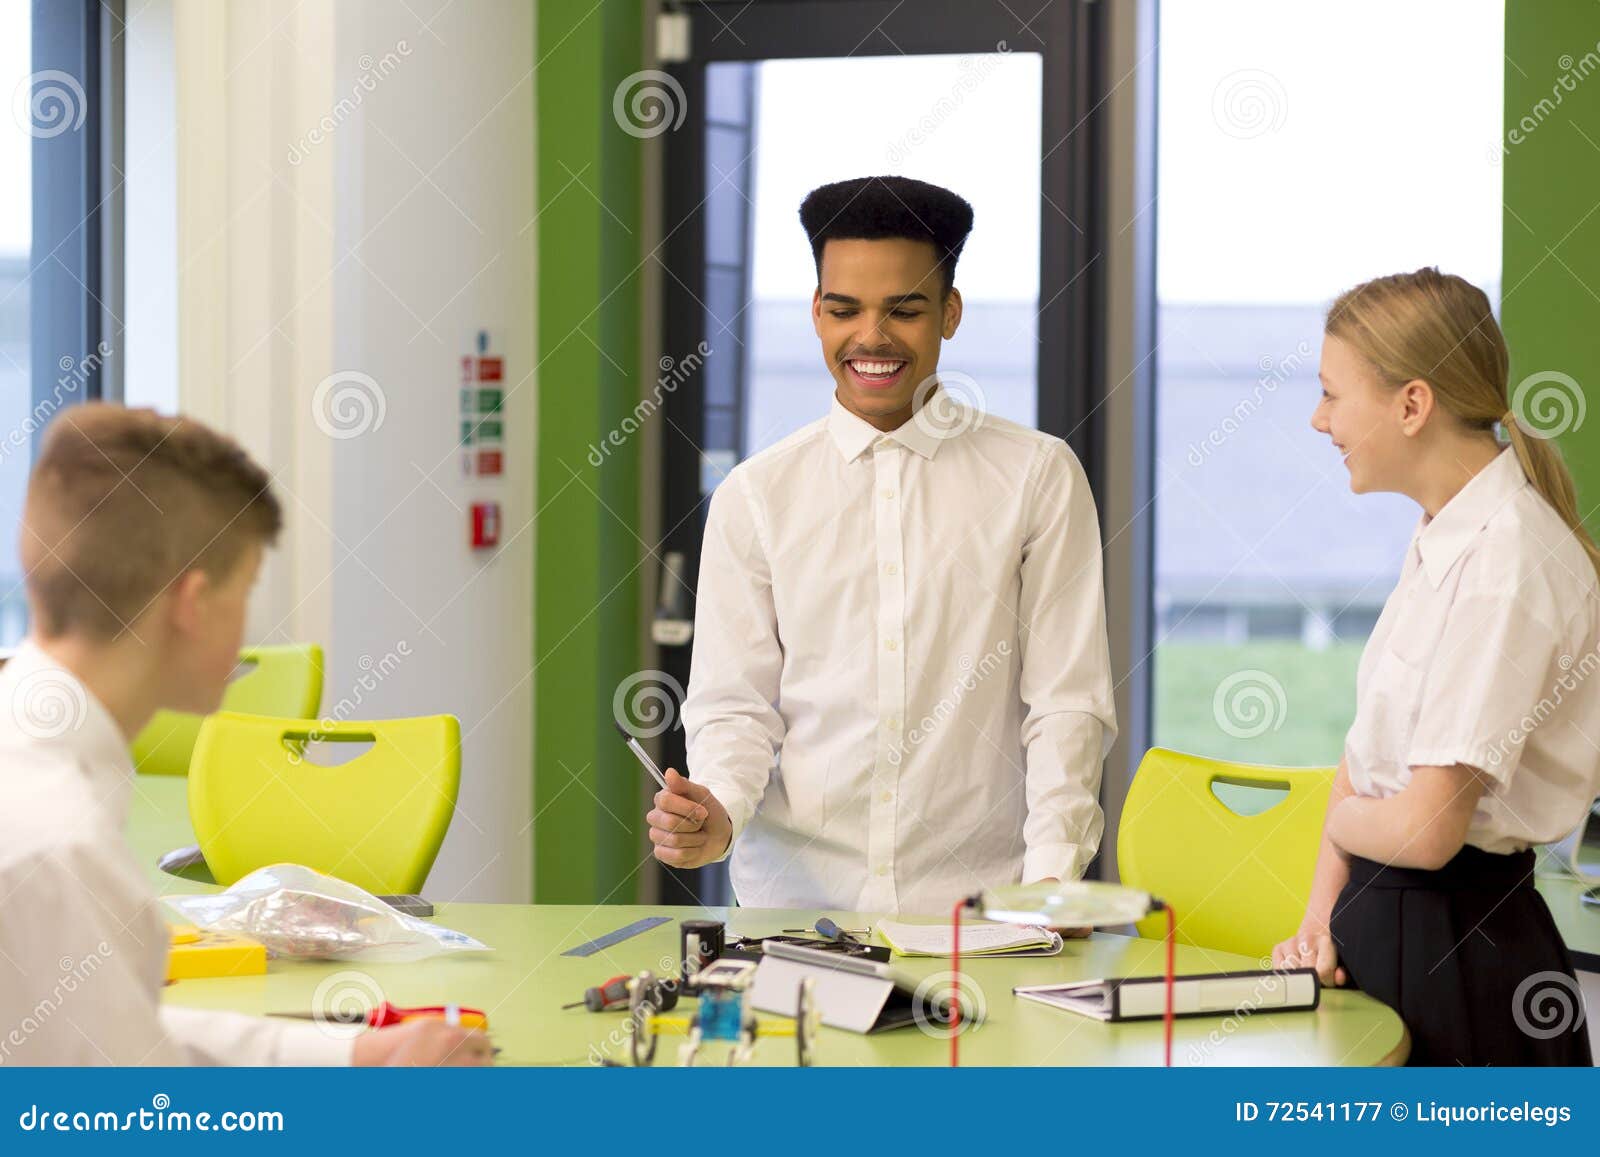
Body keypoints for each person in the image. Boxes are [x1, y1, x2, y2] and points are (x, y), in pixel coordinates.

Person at [643, 175, 1116, 915]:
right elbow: (734, 706)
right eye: (845, 310)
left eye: (904, 309)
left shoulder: (1037, 477)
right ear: (816, 313)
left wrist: (1050, 883)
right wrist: (720, 812)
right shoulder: (756, 495)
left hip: (984, 912)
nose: (871, 337)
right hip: (794, 911)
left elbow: (1066, 705)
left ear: (948, 314)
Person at [0, 404, 491, 1066]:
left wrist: (356, 1055)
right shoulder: (59, 846)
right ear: (192, 604)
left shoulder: (35, 760)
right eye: (246, 590)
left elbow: (120, 1033)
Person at [1273, 268, 1597, 1065]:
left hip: (1461, 961)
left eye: (1331, 394)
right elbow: (1365, 762)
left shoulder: (1507, 563)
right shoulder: (1444, 537)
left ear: (1411, 404)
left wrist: (1343, 816)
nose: (1319, 420)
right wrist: (1318, 921)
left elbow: (1422, 826)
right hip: (1389, 938)